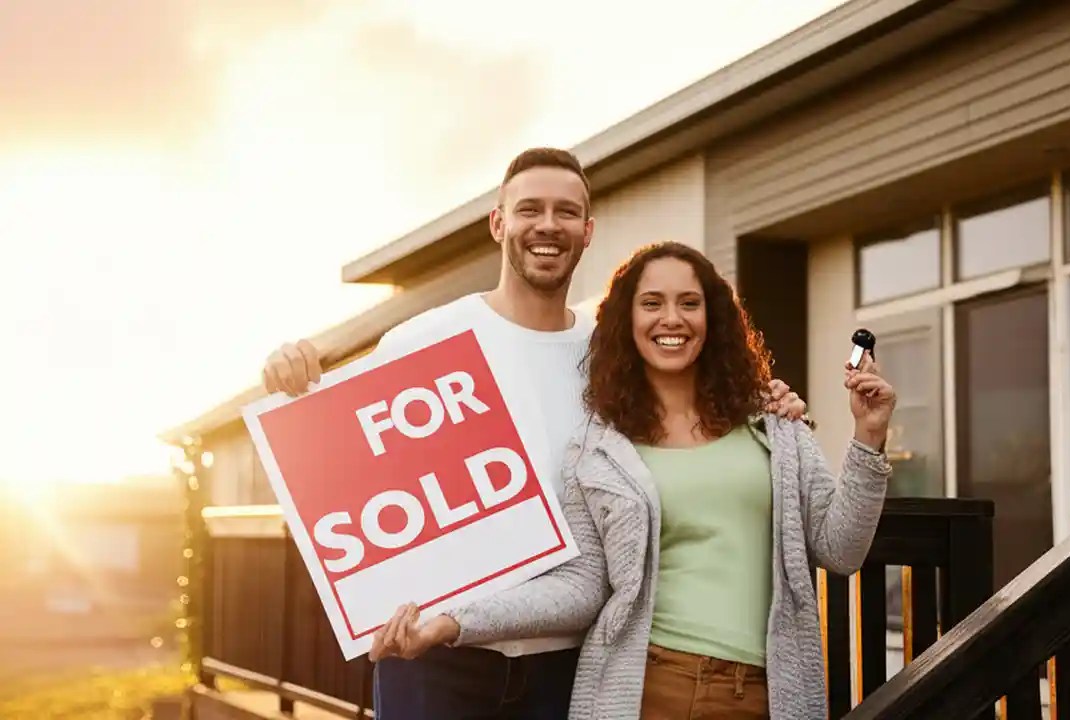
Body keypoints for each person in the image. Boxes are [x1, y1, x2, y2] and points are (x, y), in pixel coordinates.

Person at [261, 150, 808, 720]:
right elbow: (341, 465)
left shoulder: (614, 354)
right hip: (433, 658)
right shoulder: (421, 340)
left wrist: (774, 405)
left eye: (566, 212)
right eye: (530, 210)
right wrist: (289, 379)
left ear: (588, 232)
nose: (548, 225)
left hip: (565, 661)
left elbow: (698, 410)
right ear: (499, 223)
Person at [371, 241, 895, 719]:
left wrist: (867, 438)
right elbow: (581, 587)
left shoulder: (774, 425)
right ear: (627, 319)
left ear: (714, 317)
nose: (673, 318)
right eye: (652, 303)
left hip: (760, 694)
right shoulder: (597, 446)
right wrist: (452, 622)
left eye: (690, 302)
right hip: (639, 691)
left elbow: (840, 548)